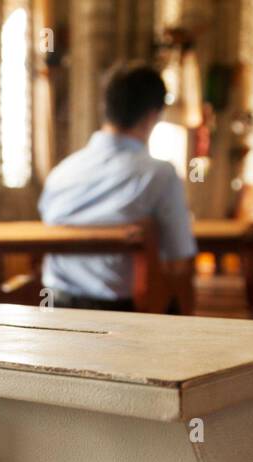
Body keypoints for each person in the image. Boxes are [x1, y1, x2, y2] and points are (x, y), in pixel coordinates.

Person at [38, 63, 196, 314]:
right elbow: (178, 261)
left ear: (105, 108)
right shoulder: (160, 174)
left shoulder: (61, 171)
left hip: (55, 308)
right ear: (152, 116)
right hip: (124, 316)